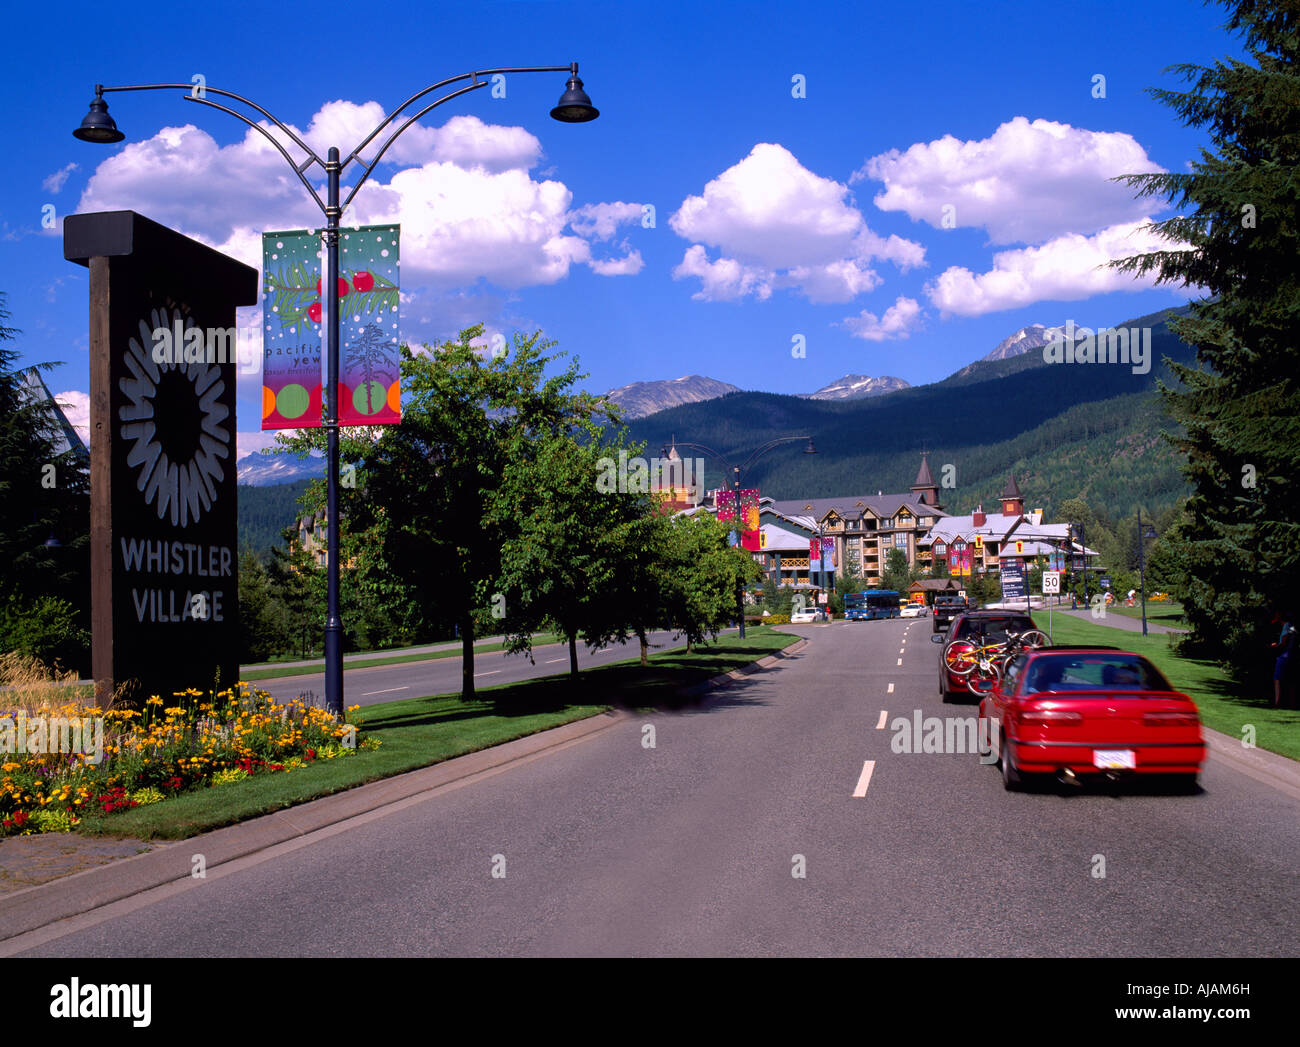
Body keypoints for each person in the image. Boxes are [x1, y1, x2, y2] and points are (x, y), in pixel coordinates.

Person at [1271, 609, 1295, 709]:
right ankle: (1291, 703)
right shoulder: (1291, 626)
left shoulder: (1287, 626)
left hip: (1285, 656)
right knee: (1290, 680)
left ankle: (1277, 703)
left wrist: (1275, 646)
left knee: (1277, 679)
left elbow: (1284, 643)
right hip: (1290, 655)